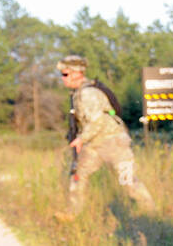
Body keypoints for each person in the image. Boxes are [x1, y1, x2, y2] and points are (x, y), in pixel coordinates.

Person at [57, 55, 154, 214]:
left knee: (128, 181)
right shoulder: (78, 93)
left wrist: (81, 139)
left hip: (113, 142)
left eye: (65, 74)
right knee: (78, 175)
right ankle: (71, 214)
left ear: (77, 73)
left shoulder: (88, 93)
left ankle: (151, 213)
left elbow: (97, 121)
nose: (63, 78)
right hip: (95, 144)